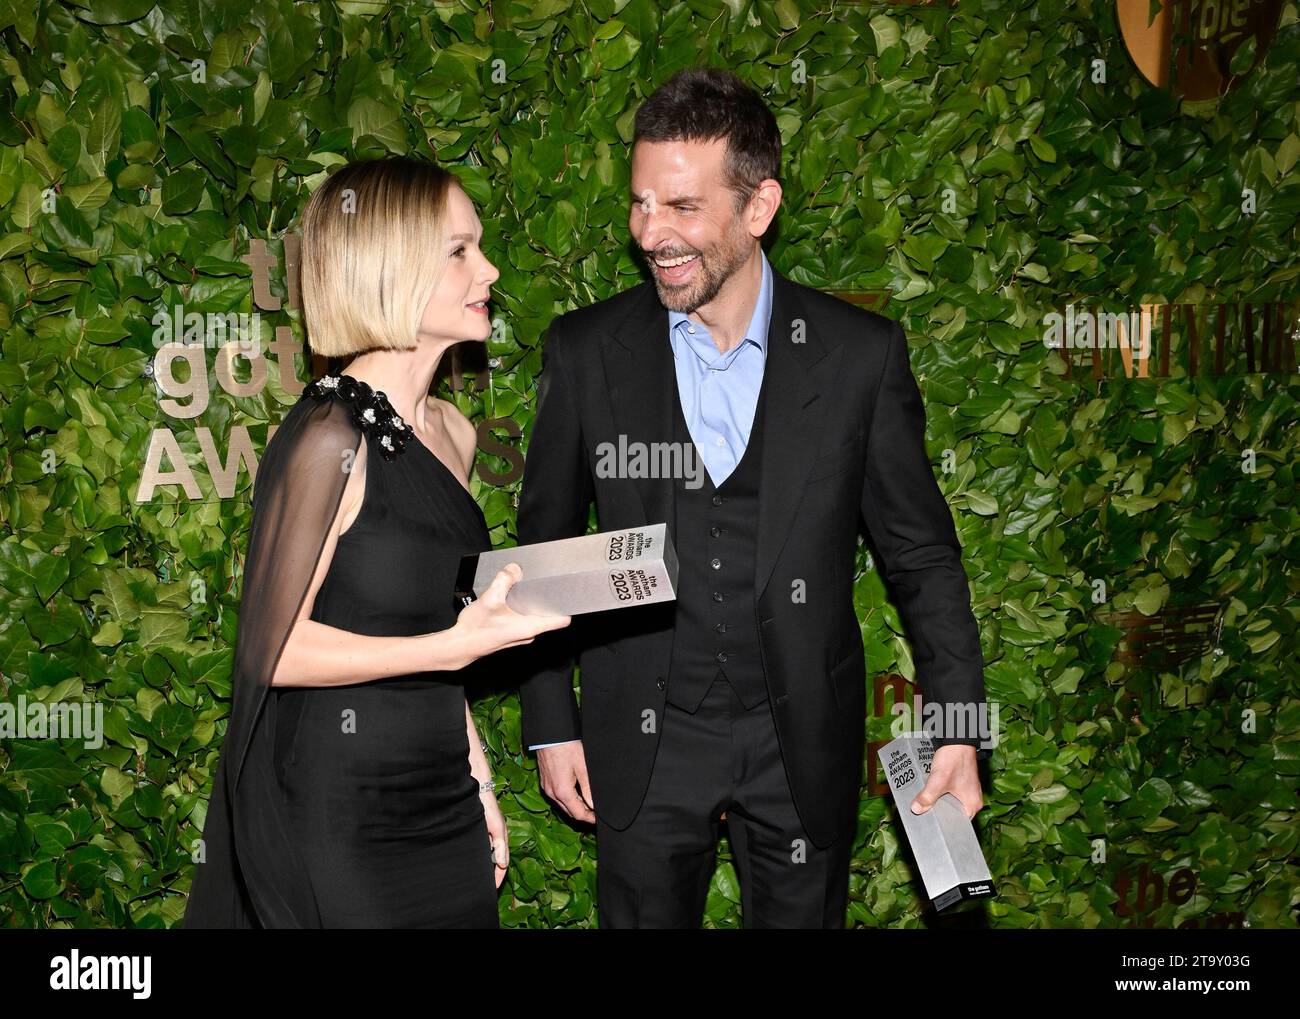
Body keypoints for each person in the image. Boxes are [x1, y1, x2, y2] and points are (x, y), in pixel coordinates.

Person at [517, 68, 992, 928]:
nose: (651, 233)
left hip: (800, 740)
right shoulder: (586, 350)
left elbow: (921, 555)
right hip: (643, 741)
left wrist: (958, 722)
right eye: (639, 204)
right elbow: (542, 545)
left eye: (682, 208)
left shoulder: (857, 356)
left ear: (759, 205)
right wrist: (552, 723)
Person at [183, 157, 570, 929]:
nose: (488, 269)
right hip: (340, 815)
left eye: (480, 245)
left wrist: (479, 775)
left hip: (442, 798)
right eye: (458, 251)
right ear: (389, 269)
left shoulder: (453, 433)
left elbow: (432, 622)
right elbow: (273, 653)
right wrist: (445, 650)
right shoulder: (330, 436)